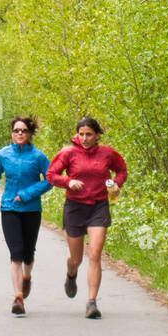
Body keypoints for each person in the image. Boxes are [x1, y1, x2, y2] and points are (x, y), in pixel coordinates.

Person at [46, 116, 127, 318]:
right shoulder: (68, 152)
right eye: (81, 134)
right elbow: (51, 174)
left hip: (99, 207)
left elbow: (122, 170)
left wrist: (117, 184)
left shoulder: (107, 153)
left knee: (95, 254)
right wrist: (68, 182)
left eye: (89, 134)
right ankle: (71, 274)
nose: (84, 138)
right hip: (74, 208)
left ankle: (91, 303)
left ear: (97, 135)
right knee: (76, 258)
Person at [0, 116, 52, 315]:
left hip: (31, 210)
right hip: (9, 209)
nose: (19, 134)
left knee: (28, 254)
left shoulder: (38, 157)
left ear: (30, 134)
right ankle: (18, 298)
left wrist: (27, 194)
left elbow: (50, 180)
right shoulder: (2, 155)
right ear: (12, 133)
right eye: (16, 131)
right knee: (16, 253)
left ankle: (27, 277)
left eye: (23, 131)